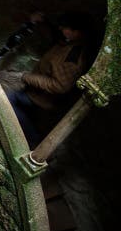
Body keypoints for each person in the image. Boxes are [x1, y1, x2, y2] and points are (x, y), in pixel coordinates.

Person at [8, 12, 93, 146]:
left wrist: (25, 77)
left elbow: (59, 86)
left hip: (41, 102)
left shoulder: (74, 58)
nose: (61, 29)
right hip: (33, 95)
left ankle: (35, 146)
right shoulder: (68, 42)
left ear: (76, 32)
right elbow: (57, 33)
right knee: (16, 109)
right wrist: (43, 20)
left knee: (9, 102)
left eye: (65, 28)